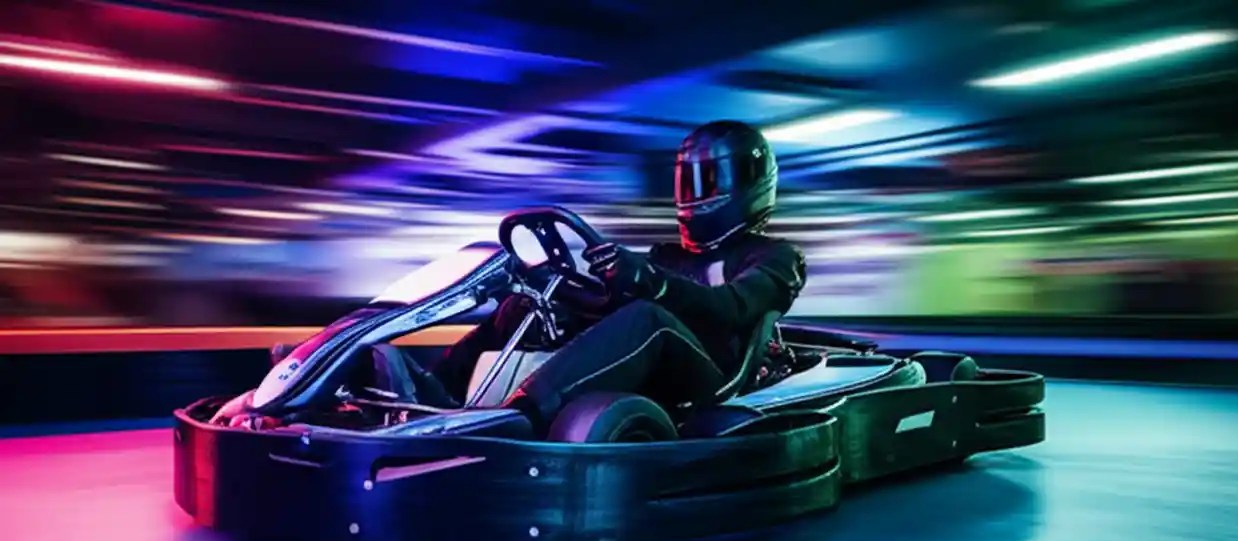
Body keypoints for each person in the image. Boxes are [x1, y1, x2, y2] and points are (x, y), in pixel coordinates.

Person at [219, 120, 806, 431]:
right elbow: (613, 309)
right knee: (523, 306)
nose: (693, 198)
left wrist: (646, 284)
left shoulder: (775, 257)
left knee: (646, 319)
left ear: (749, 184)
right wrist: (562, 290)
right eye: (687, 183)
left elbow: (732, 310)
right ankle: (427, 390)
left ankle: (516, 418)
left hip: (711, 376)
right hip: (655, 359)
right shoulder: (664, 256)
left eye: (708, 184)